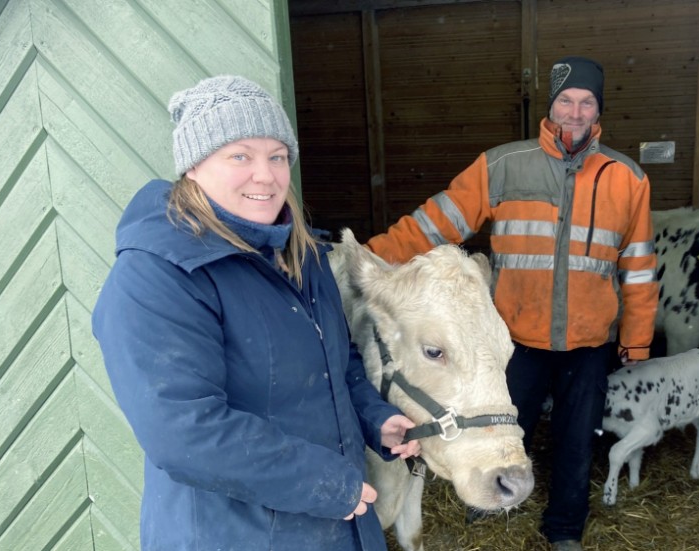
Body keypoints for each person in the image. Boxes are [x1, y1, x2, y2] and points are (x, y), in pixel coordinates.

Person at [92, 75, 420, 551]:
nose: (265, 175)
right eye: (240, 155)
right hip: (235, 534)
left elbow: (338, 361)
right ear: (194, 166)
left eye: (277, 156)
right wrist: (325, 484)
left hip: (341, 524)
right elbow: (184, 432)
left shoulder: (300, 252)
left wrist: (376, 417)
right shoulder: (156, 276)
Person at [366, 56, 659, 551]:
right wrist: (367, 261)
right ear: (551, 107)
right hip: (515, 339)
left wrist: (637, 338)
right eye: (566, 101)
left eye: (586, 102)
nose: (575, 111)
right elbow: (436, 223)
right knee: (501, 425)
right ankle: (483, 505)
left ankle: (564, 528)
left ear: (597, 110)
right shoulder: (504, 164)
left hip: (588, 340)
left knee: (576, 439)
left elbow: (640, 266)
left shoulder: (626, 179)